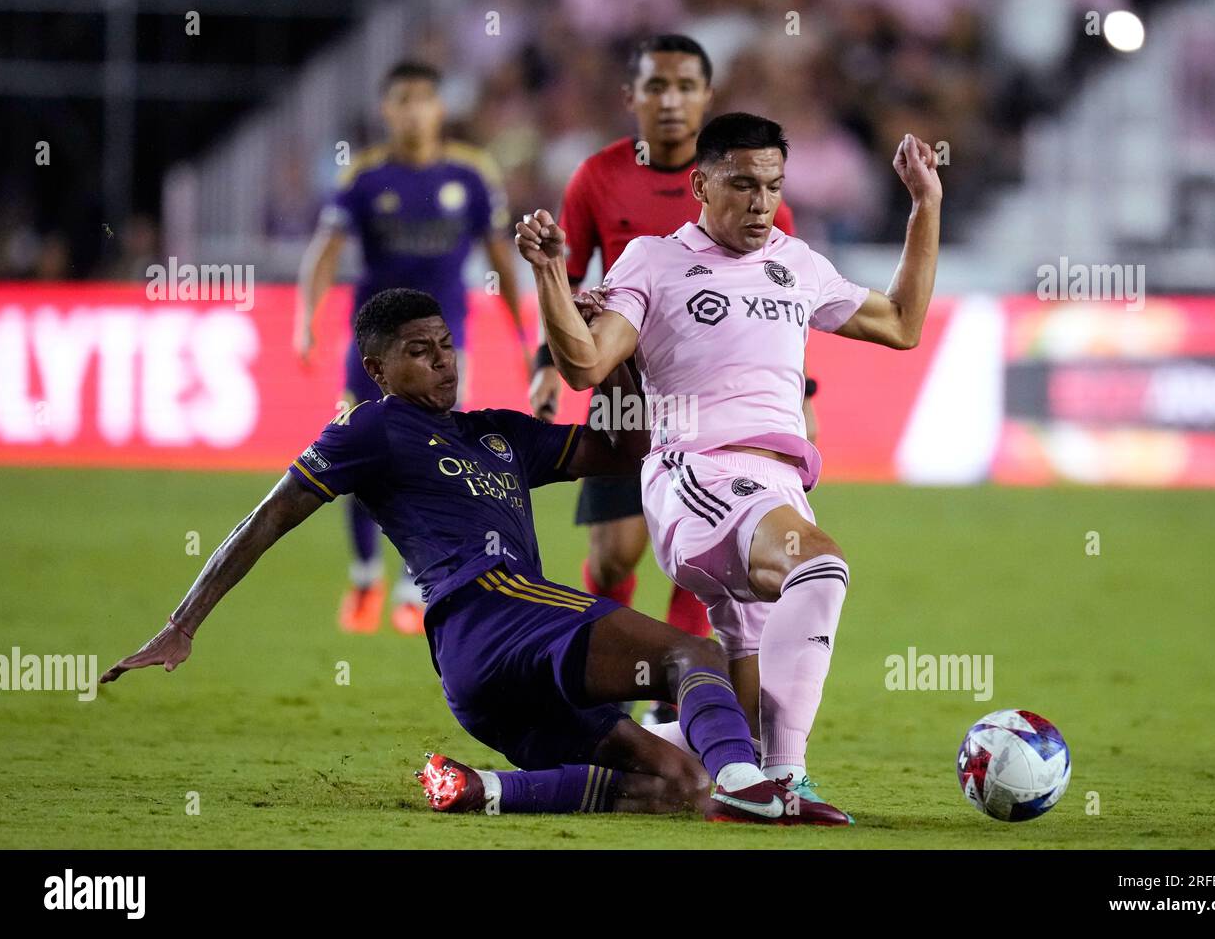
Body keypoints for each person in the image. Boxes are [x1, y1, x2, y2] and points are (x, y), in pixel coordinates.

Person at [101, 288, 849, 825]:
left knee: (682, 783)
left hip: (479, 676)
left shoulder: (496, 432)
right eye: (418, 353)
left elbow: (623, 449)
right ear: (377, 367)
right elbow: (269, 517)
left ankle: (478, 789)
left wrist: (607, 354)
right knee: (697, 656)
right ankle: (757, 781)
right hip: (492, 609)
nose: (441, 363)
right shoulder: (370, 431)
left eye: (446, 346)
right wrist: (183, 622)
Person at [516, 112, 941, 805]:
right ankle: (790, 779)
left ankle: (546, 771)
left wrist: (926, 206)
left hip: (777, 488)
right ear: (700, 183)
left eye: (773, 186)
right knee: (821, 566)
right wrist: (549, 279)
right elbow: (587, 363)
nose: (761, 203)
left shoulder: (794, 263)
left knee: (731, 739)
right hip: (700, 475)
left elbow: (901, 323)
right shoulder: (653, 260)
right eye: (742, 185)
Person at [528, 37, 810, 729]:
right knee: (616, 551)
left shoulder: (759, 196)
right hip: (626, 387)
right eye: (657, 86)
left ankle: (669, 686)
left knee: (705, 557)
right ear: (632, 98)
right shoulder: (596, 176)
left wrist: (807, 402)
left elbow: (784, 315)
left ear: (707, 98)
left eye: (686, 85)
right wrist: (545, 364)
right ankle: (619, 661)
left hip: (721, 407)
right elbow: (564, 278)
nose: (672, 100)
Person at [295, 60, 528, 636]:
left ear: (439, 108)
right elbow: (325, 250)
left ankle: (410, 584)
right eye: (402, 100)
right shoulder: (366, 177)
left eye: (424, 98)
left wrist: (525, 331)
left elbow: (500, 253)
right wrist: (307, 318)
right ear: (387, 110)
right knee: (356, 448)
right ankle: (365, 574)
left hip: (446, 344)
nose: (414, 110)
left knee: (432, 459)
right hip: (372, 344)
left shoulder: (471, 174)